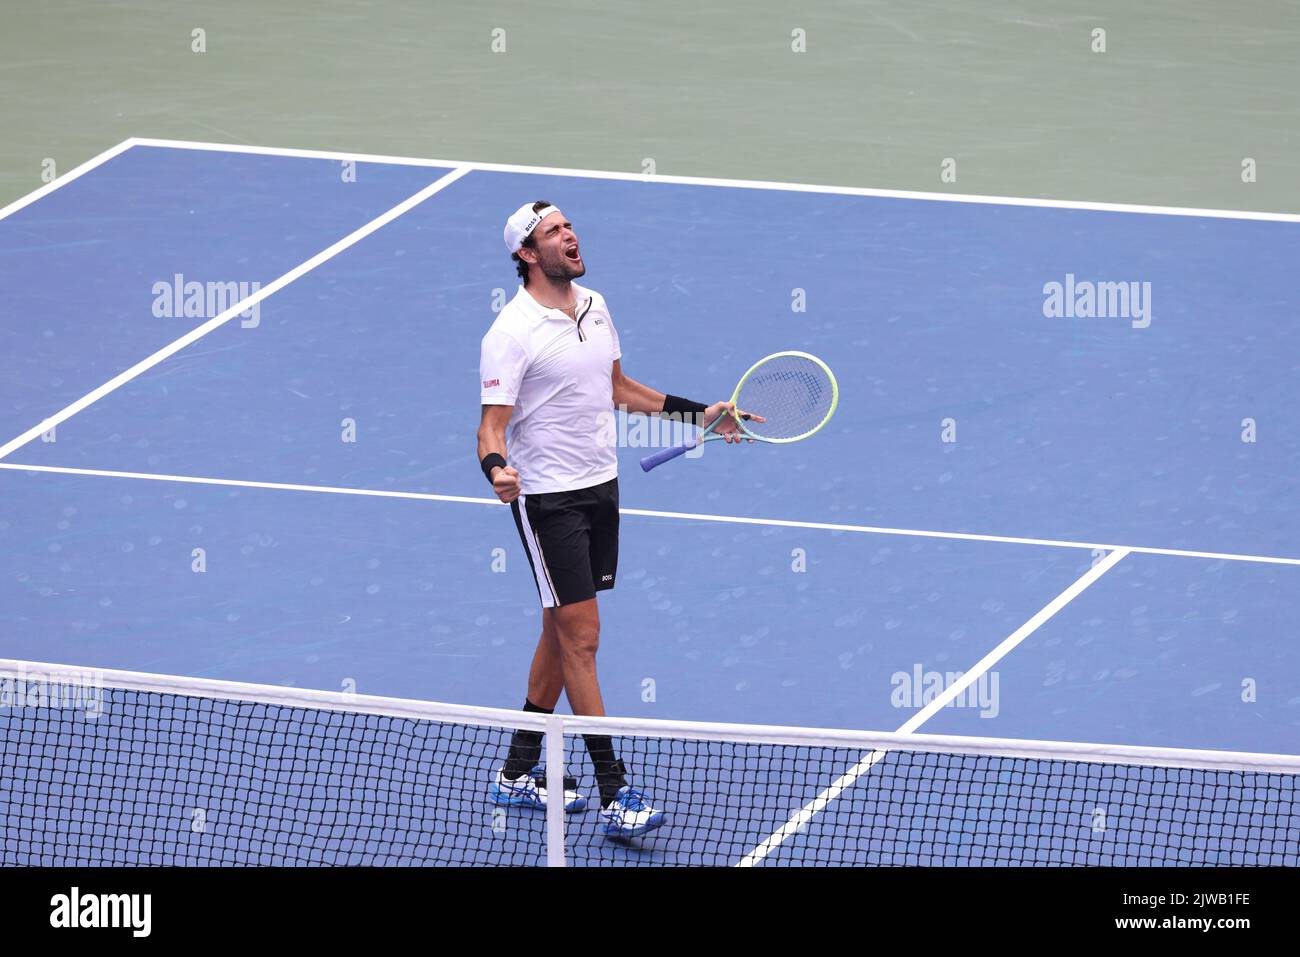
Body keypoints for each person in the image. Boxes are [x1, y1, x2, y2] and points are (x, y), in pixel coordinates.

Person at [476, 200, 753, 838]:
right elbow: (491, 427)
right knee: (583, 636)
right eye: (554, 232)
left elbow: (617, 389)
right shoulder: (511, 332)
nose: (570, 236)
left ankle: (518, 770)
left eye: (569, 226)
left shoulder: (596, 306)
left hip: (602, 488)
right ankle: (615, 790)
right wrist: (497, 469)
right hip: (549, 501)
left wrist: (699, 414)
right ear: (526, 253)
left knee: (559, 627)